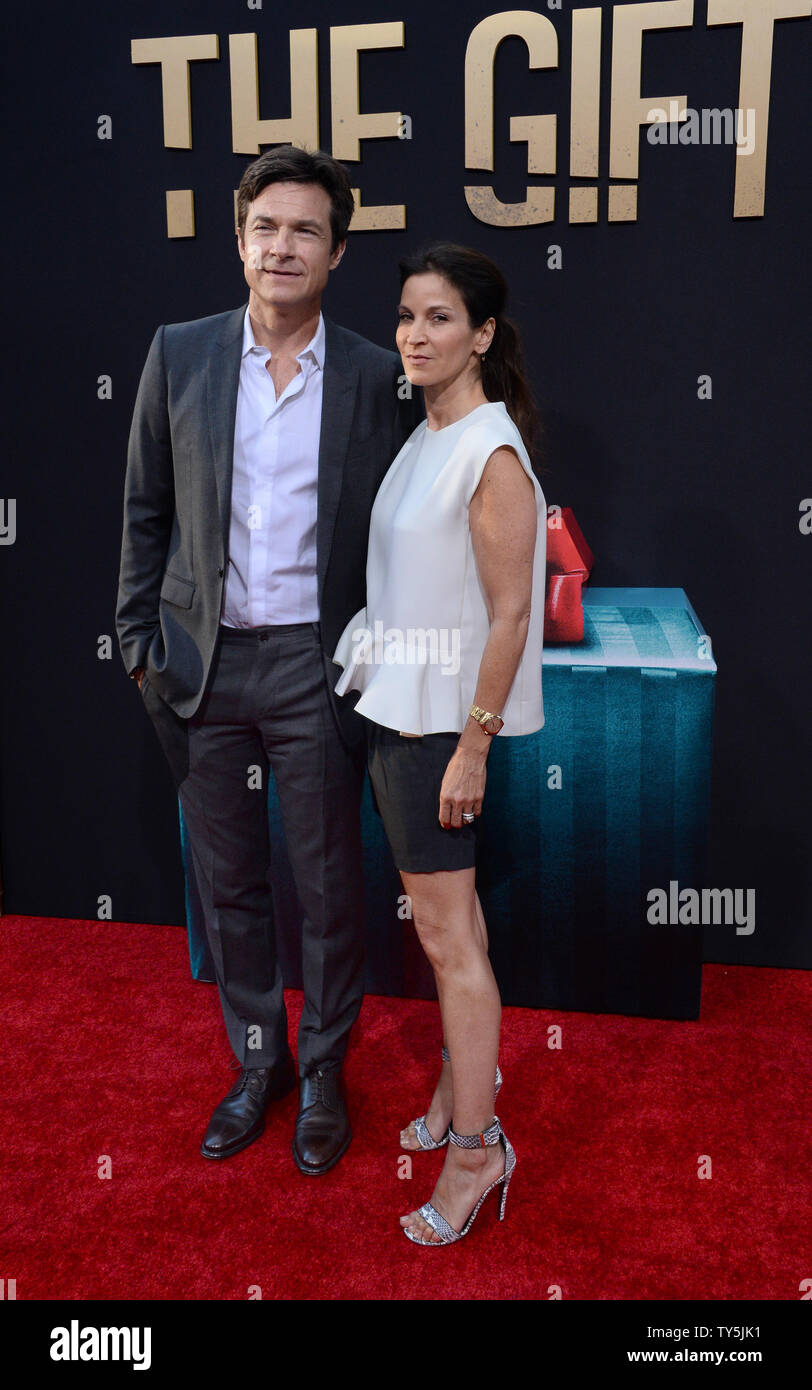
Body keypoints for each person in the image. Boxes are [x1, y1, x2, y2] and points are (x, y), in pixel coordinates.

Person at [116, 147, 421, 1175]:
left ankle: (325, 1069)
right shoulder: (181, 352)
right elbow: (145, 510)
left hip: (316, 664)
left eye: (305, 230)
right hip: (199, 662)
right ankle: (260, 1065)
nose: (282, 245)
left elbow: (411, 526)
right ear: (238, 241)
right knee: (230, 884)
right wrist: (136, 646)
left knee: (331, 886)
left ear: (334, 252)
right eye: (265, 227)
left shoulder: (382, 377)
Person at [332, 242, 546, 1243]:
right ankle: (464, 1083)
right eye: (407, 316)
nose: (414, 335)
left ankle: (475, 1151)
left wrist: (474, 747)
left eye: (439, 319)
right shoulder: (427, 431)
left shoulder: (489, 452)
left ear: (482, 335)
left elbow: (510, 617)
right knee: (444, 929)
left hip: (436, 733)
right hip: (393, 714)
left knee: (448, 941)